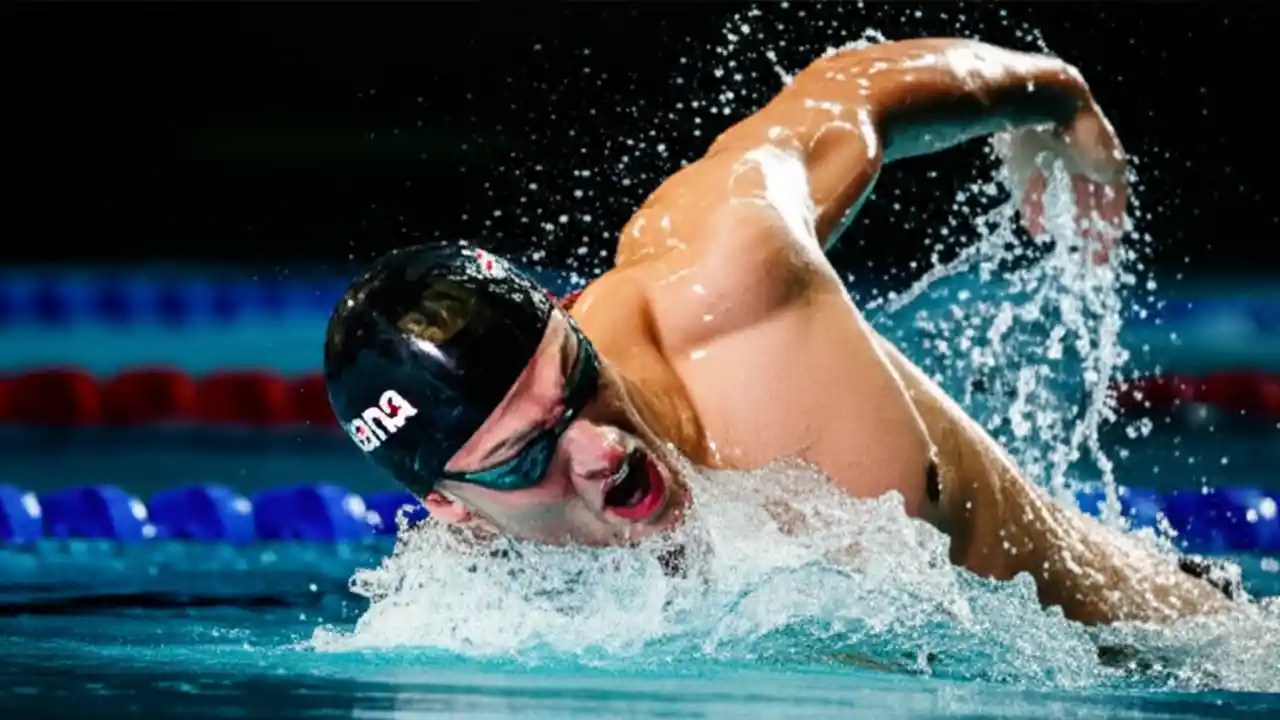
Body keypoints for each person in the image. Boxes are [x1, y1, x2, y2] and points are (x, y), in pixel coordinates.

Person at [323, 37, 1237, 626]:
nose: (601, 448)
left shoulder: (724, 276)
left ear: (571, 325)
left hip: (1184, 646)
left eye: (580, 382)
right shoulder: (465, 594)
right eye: (527, 458)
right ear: (450, 501)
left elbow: (847, 96)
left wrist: (1058, 100)